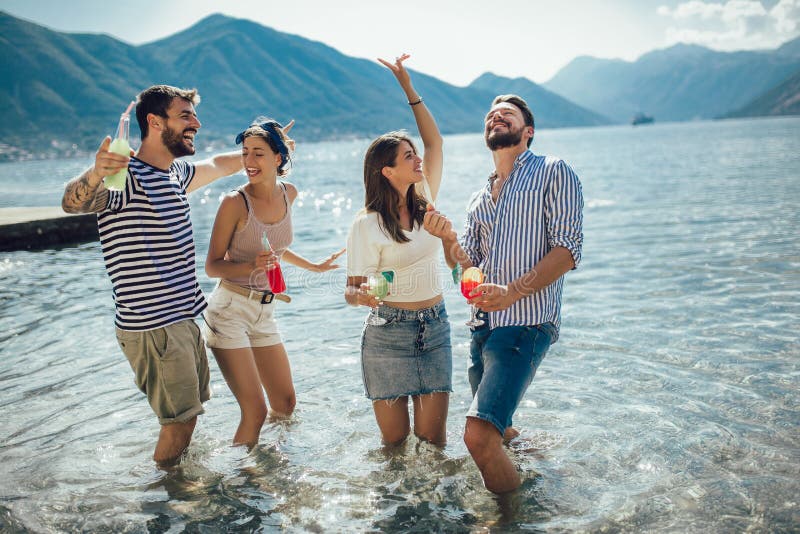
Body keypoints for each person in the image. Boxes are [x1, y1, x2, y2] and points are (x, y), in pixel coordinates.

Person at [61, 85, 244, 467]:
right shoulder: (125, 177)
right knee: (179, 424)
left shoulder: (174, 173)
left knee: (189, 416)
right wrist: (96, 172)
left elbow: (219, 165)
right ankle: (163, 502)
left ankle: (178, 486)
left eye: (194, 115)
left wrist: (263, 149)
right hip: (153, 325)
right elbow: (72, 203)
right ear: (155, 122)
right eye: (185, 116)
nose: (197, 122)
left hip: (179, 319)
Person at [424, 94, 584, 493]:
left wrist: (513, 292)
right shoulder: (478, 199)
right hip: (482, 330)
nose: (496, 114)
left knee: (478, 436)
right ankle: (544, 469)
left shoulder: (552, 171)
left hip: (526, 325)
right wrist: (448, 242)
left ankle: (510, 518)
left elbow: (568, 251)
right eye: (491, 113)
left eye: (507, 112)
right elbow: (467, 274)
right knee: (500, 428)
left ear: (527, 132)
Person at [203, 117, 344, 448]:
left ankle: (271, 467)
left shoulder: (288, 193)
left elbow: (276, 247)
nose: (249, 162)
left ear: (278, 158)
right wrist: (252, 264)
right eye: (245, 153)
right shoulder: (234, 203)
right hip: (228, 311)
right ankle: (240, 481)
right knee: (254, 411)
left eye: (259, 154)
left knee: (285, 404)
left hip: (264, 312)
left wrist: (314, 266)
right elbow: (212, 266)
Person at [344, 54, 451, 447]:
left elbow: (435, 141)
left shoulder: (425, 199)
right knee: (395, 445)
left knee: (434, 442)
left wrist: (408, 88)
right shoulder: (366, 224)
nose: (418, 158)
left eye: (414, 153)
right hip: (388, 335)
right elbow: (352, 289)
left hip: (436, 328)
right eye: (408, 156)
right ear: (387, 171)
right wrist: (366, 294)